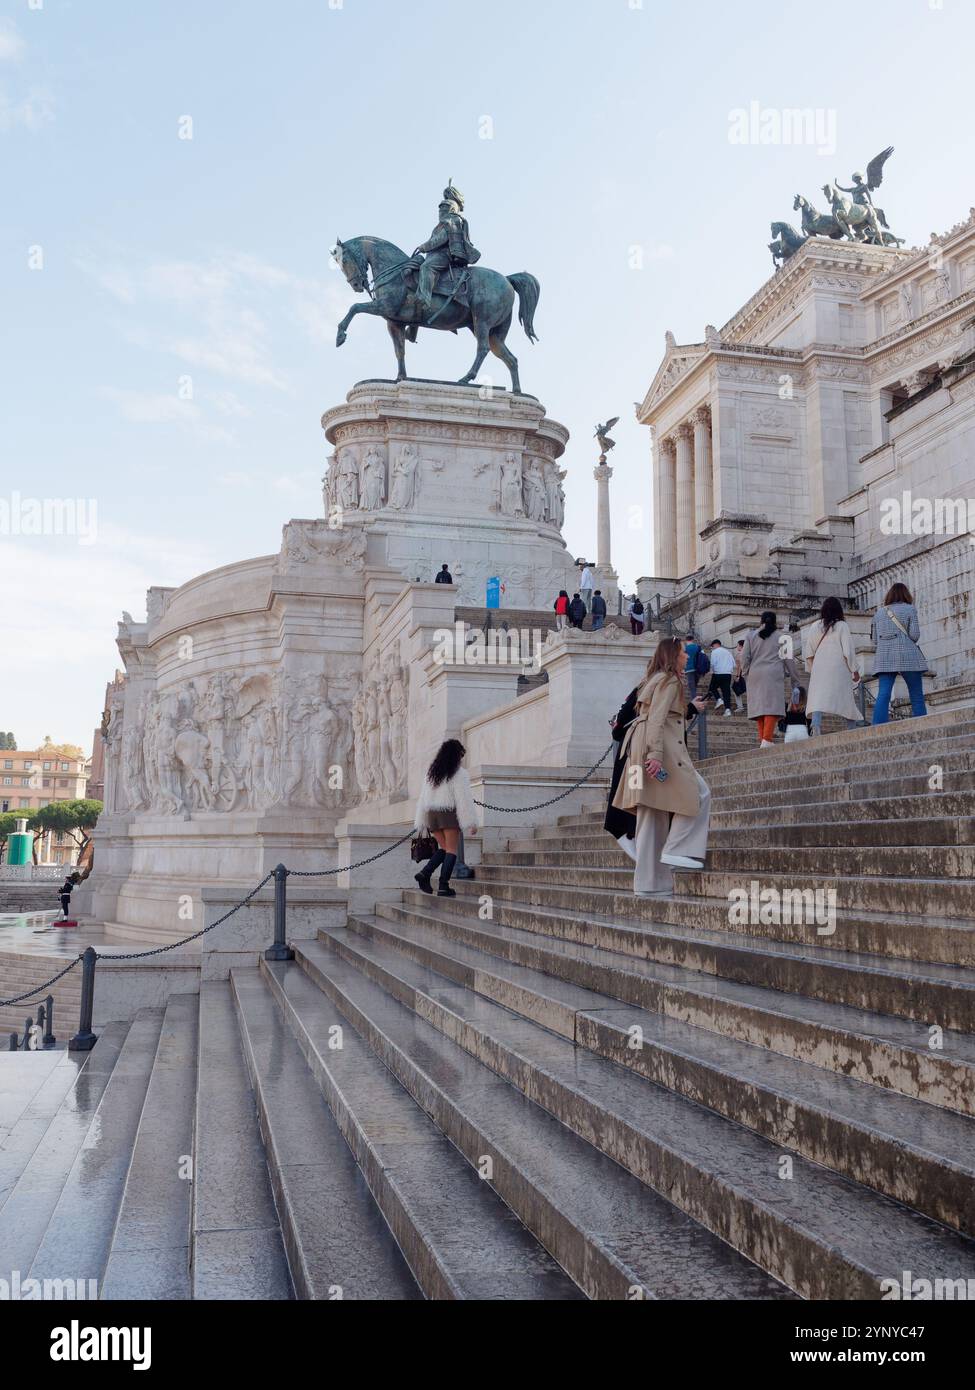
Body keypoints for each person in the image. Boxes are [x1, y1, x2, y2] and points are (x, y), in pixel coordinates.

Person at [611, 637, 711, 896]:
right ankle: (678, 848)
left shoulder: (650, 679)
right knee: (699, 793)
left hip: (636, 754)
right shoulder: (669, 681)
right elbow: (656, 719)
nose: (687, 657)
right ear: (672, 655)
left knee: (651, 816)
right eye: (682, 653)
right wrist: (655, 755)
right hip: (659, 752)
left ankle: (650, 886)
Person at [413, 739, 477, 897]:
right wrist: (471, 822)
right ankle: (443, 886)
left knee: (444, 849)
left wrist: (421, 820)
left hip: (431, 815)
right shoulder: (458, 773)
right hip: (447, 813)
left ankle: (424, 873)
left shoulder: (432, 773)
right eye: (460, 756)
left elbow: (422, 797)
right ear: (456, 755)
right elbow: (464, 799)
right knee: (452, 851)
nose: (461, 760)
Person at [412, 182, 481, 317]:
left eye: (442, 209)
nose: (440, 212)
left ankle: (424, 299)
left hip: (445, 254)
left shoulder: (450, 220)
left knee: (426, 267)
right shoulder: (453, 219)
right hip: (440, 254)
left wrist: (423, 247)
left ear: (448, 209)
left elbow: (441, 239)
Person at [740, 611, 801, 747]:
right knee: (771, 708)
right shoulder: (783, 638)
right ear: (775, 622)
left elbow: (744, 658)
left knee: (760, 709)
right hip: (773, 675)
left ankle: (764, 740)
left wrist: (746, 673)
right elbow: (790, 662)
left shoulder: (750, 636)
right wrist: (795, 682)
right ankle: (767, 740)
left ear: (761, 622)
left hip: (755, 674)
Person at [870, 583, 928, 724]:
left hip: (885, 656)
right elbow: (915, 635)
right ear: (906, 594)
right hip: (907, 654)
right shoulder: (910, 609)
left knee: (883, 694)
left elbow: (874, 640)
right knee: (916, 694)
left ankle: (877, 726)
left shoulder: (879, 613)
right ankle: (921, 725)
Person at [805, 597, 862, 735]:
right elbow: (848, 650)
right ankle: (851, 728)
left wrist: (812, 668)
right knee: (845, 697)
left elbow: (809, 651)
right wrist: (854, 670)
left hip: (819, 667)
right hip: (838, 667)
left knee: (818, 698)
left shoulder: (814, 626)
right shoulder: (842, 626)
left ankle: (816, 725)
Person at [604, 686, 639, 862]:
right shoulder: (647, 688)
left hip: (638, 758)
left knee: (635, 801)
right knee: (634, 801)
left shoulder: (643, 688)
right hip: (635, 758)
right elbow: (620, 725)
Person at [706, 639, 735, 715]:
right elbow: (733, 663)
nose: (712, 648)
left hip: (718, 673)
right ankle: (727, 710)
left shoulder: (714, 652)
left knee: (712, 688)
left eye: (712, 646)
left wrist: (711, 670)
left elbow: (712, 663)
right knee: (726, 692)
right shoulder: (728, 652)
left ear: (715, 644)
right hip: (727, 674)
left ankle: (719, 699)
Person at [684, 634, 708, 699]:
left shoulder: (685, 648)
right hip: (698, 669)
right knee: (694, 686)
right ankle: (695, 701)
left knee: (692, 687)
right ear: (693, 640)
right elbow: (704, 657)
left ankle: (694, 702)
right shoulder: (698, 647)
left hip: (689, 669)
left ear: (686, 640)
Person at [732, 640, 747, 712]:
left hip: (741, 674)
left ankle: (740, 706)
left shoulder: (739, 654)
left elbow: (739, 666)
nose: (737, 647)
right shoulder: (748, 653)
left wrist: (737, 676)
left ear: (741, 646)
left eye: (737, 645)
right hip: (748, 674)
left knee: (736, 689)